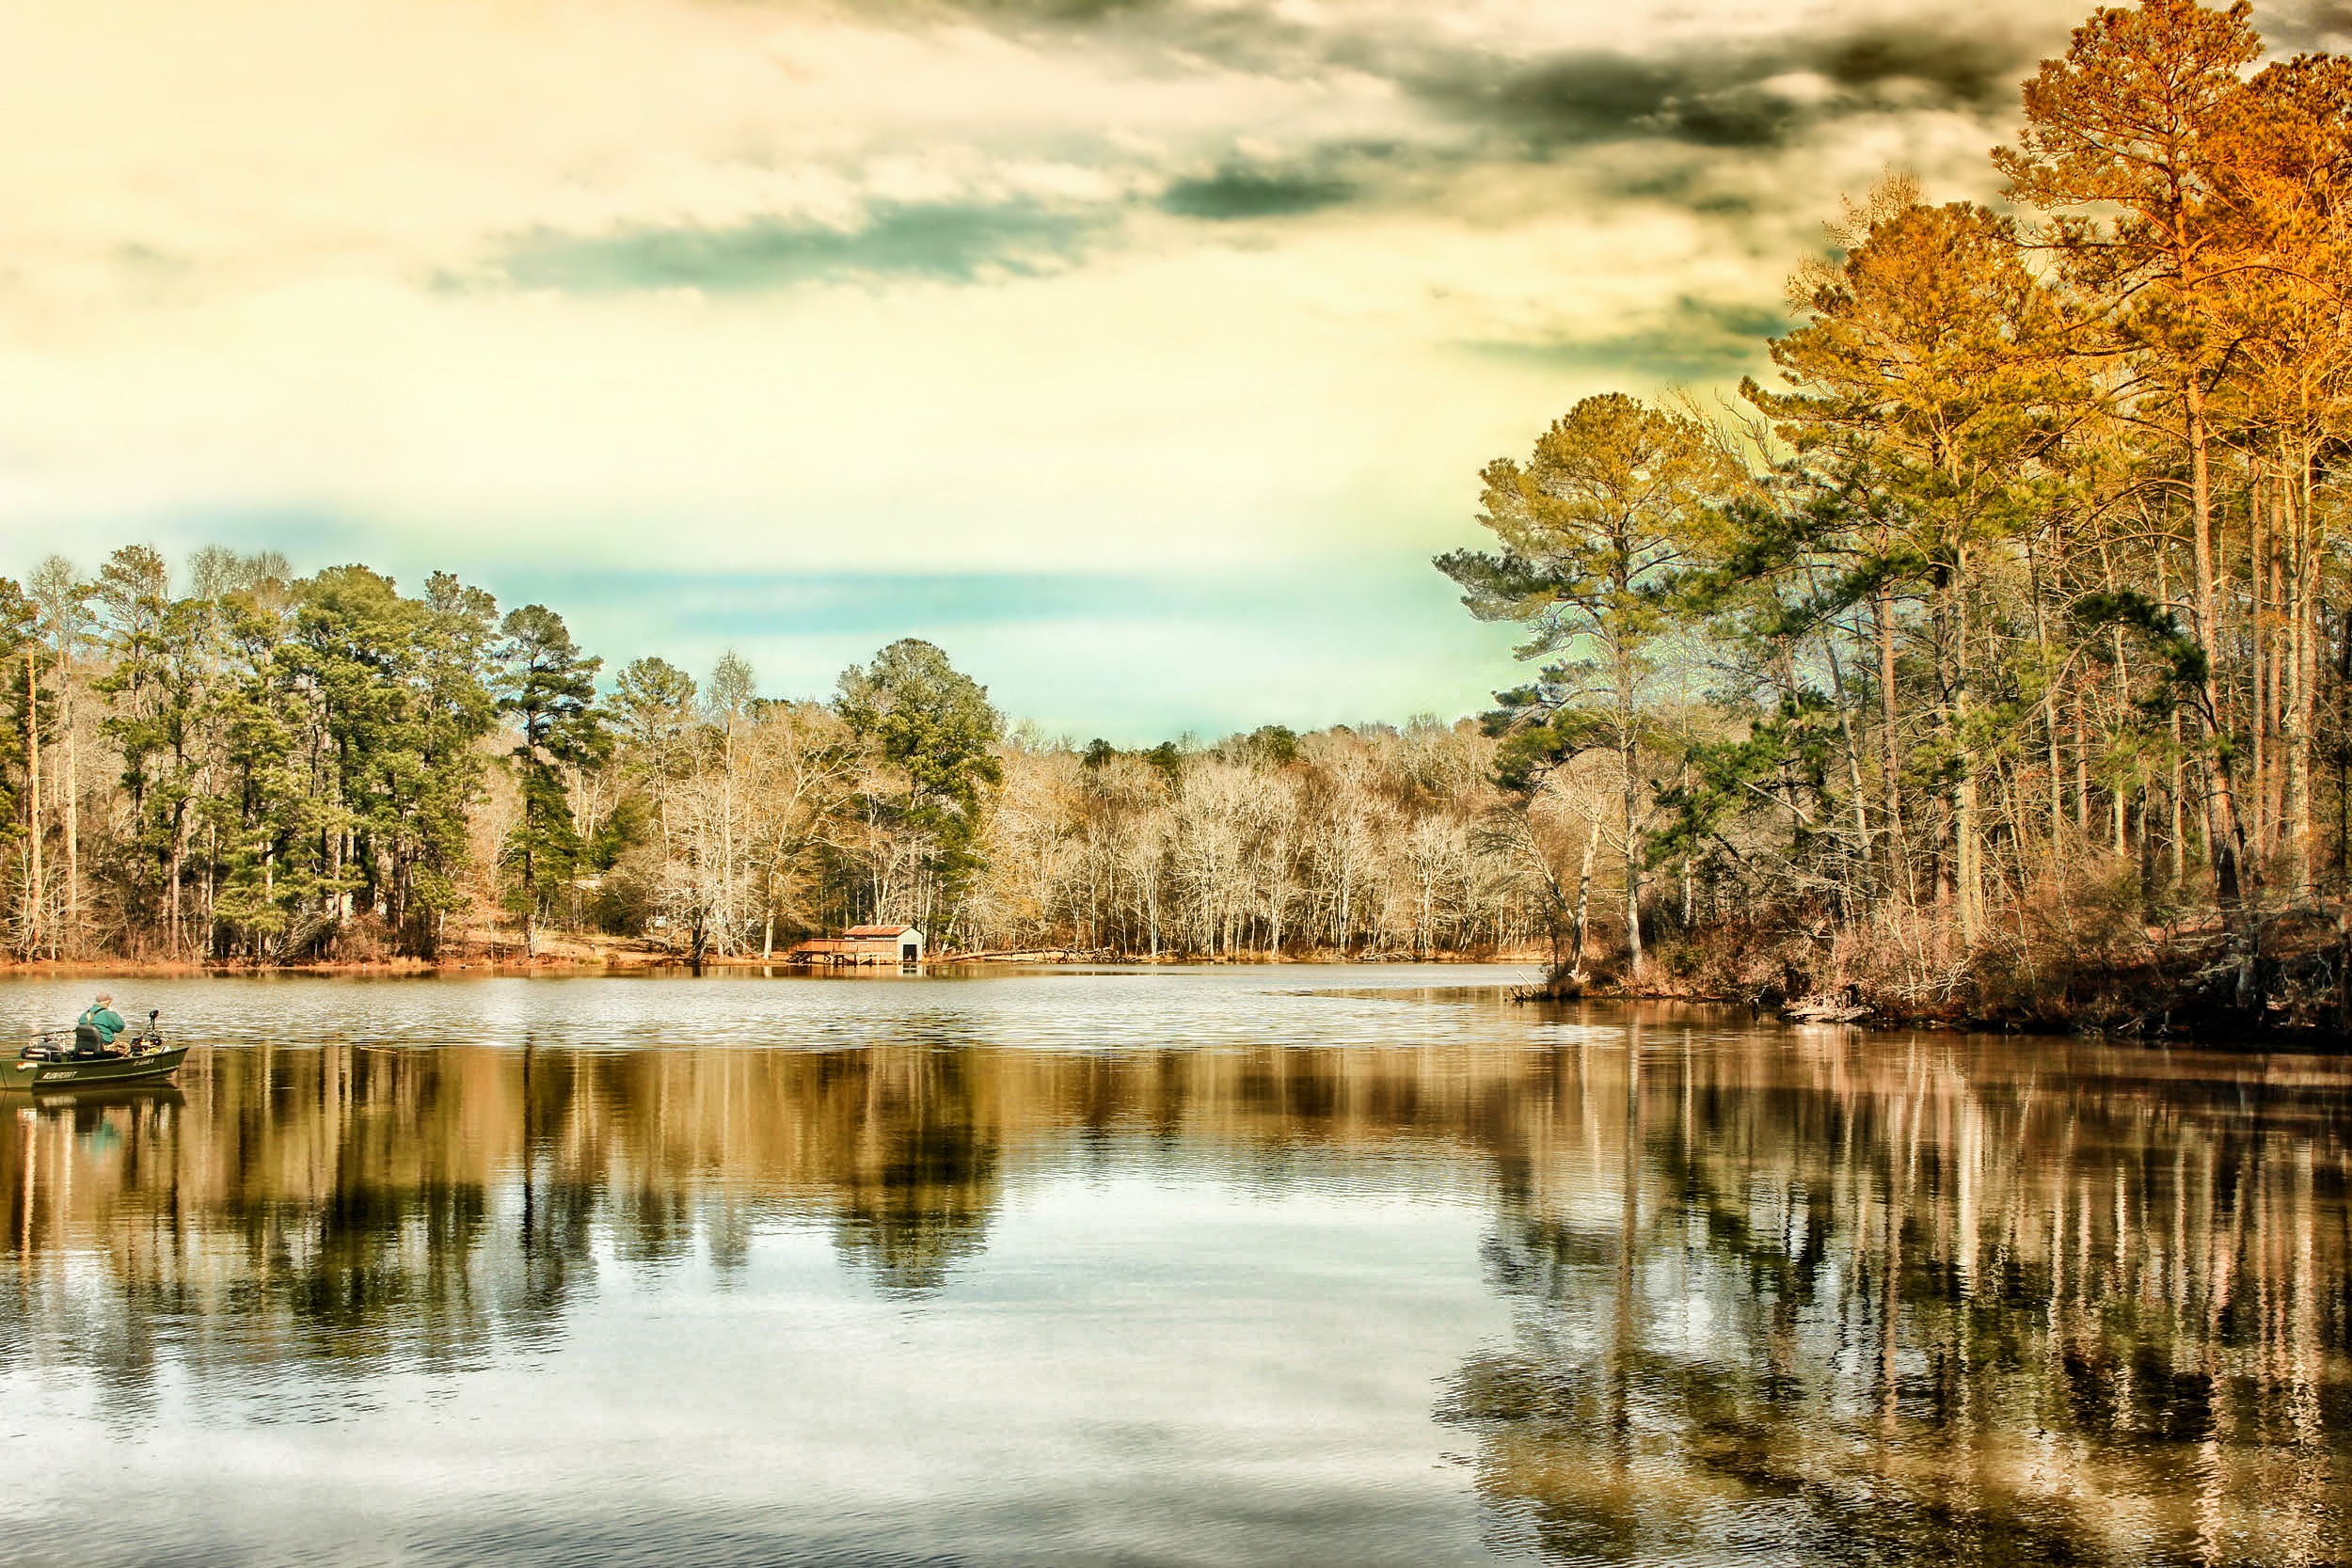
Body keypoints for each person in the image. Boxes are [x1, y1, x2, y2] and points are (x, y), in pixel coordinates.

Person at [73, 993, 126, 1057]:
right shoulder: (107, 1013)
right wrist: (112, 1012)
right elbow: (120, 1027)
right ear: (108, 1001)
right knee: (127, 1047)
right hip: (103, 1045)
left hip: (84, 1045)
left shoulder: (85, 1013)